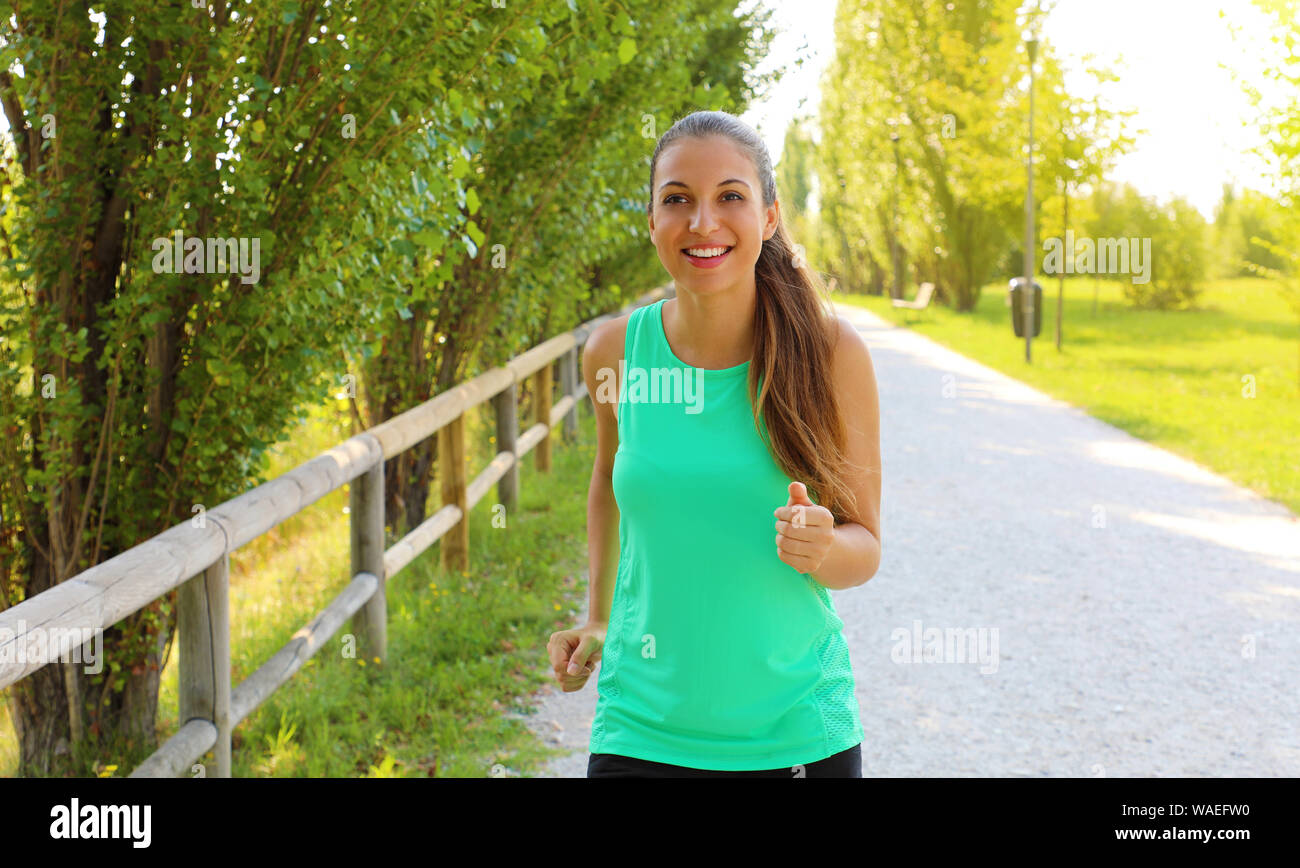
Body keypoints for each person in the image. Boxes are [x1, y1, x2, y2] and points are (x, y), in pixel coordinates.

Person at [546, 110, 883, 778]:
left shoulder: (831, 353)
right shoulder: (615, 351)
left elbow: (865, 547)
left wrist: (821, 548)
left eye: (730, 196)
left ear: (768, 217)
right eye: (677, 200)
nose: (702, 223)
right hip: (639, 730)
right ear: (651, 221)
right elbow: (610, 487)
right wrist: (600, 618)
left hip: (795, 736)